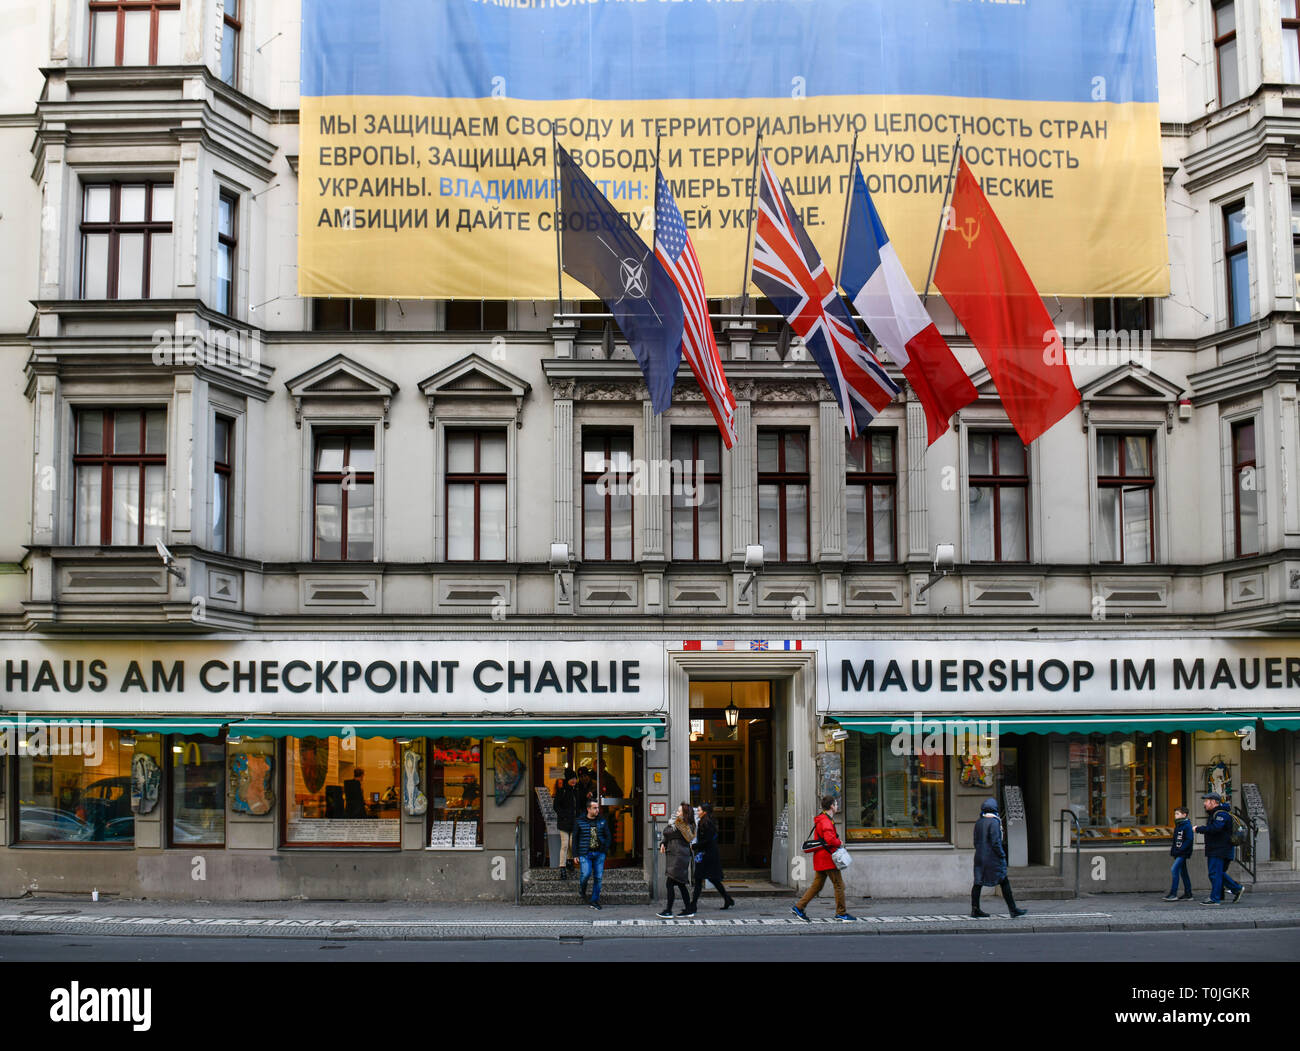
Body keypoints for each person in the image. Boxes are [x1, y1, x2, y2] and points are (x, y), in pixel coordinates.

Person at [791, 795, 856, 922]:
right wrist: (839, 842)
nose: (837, 806)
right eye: (836, 804)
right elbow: (830, 839)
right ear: (831, 806)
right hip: (828, 859)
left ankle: (799, 907)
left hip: (821, 858)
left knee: (817, 885)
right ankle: (841, 913)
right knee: (839, 885)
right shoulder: (826, 821)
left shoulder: (822, 818)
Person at [970, 797, 1027, 918]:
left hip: (979, 856)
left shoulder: (979, 822)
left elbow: (975, 841)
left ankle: (975, 909)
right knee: (1003, 880)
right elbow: (996, 842)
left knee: (978, 882)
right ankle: (1013, 909)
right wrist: (1002, 854)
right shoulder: (995, 822)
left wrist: (980, 850)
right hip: (992, 858)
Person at [1194, 793, 1244, 905]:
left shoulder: (1221, 814)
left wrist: (1199, 829)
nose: (1204, 803)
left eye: (1206, 801)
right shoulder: (1216, 814)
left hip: (1219, 849)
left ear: (1213, 802)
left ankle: (1215, 898)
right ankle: (1233, 890)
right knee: (1218, 873)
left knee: (1214, 873)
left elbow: (1216, 828)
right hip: (1219, 849)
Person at [686, 801, 734, 914]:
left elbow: (707, 841)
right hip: (707, 854)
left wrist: (695, 846)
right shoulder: (705, 822)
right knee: (713, 879)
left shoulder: (707, 824)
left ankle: (693, 905)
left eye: (699, 810)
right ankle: (727, 899)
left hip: (707, 855)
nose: (697, 812)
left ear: (705, 812)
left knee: (699, 879)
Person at [657, 802, 695, 919]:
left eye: (679, 811)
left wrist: (676, 822)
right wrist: (663, 843)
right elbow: (667, 835)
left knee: (670, 883)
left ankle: (668, 910)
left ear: (685, 814)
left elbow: (669, 832)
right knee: (680, 884)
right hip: (675, 855)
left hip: (679, 857)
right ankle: (688, 909)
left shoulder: (686, 825)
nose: (676, 812)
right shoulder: (676, 823)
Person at [573, 798, 612, 910]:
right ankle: (582, 889)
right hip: (585, 853)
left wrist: (604, 850)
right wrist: (575, 855)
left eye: (598, 808)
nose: (597, 810)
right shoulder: (579, 821)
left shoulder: (602, 820)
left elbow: (608, 836)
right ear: (588, 809)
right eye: (595, 808)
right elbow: (575, 839)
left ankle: (594, 901)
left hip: (599, 854)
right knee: (585, 874)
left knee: (598, 878)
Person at [1162, 806, 1194, 902]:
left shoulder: (1187, 825)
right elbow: (1176, 840)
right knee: (1183, 873)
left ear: (1184, 815)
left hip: (1183, 853)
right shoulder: (1179, 825)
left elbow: (1189, 839)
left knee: (1174, 869)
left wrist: (1181, 850)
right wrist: (1174, 850)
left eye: (1177, 814)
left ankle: (1173, 893)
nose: (1175, 816)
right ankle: (1188, 894)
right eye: (1175, 814)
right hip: (1178, 852)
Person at [552, 768, 579, 878]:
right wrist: (563, 815)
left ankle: (569, 860)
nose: (573, 780)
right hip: (564, 822)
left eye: (574, 778)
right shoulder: (562, 791)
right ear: (567, 779)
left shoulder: (577, 791)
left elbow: (580, 805)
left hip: (574, 822)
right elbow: (556, 806)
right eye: (571, 779)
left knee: (572, 844)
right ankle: (562, 868)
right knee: (564, 844)